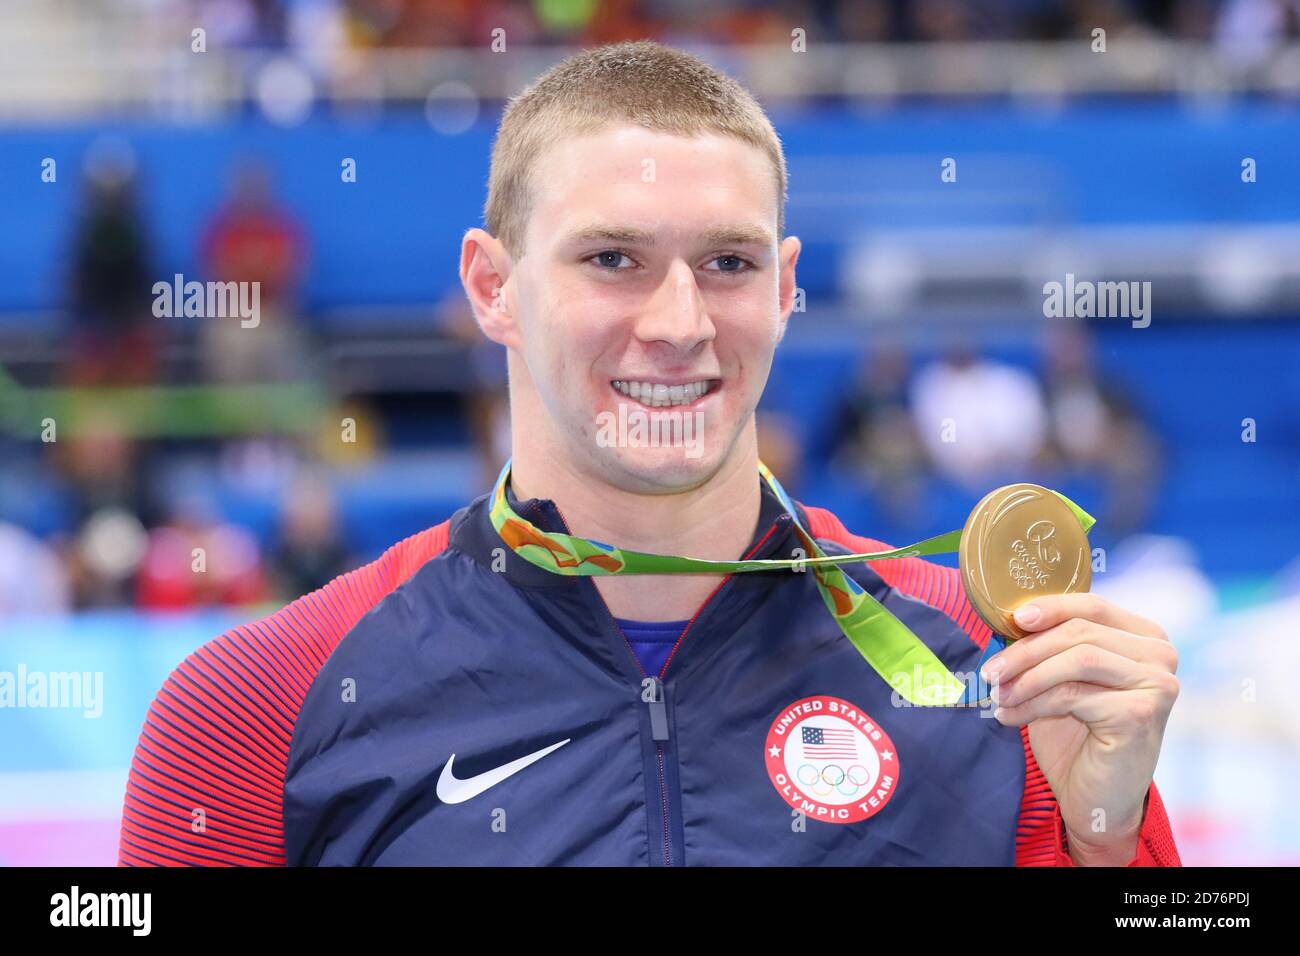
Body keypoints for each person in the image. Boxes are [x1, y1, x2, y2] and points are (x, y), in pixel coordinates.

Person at [118, 41, 1181, 867]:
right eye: (613, 258)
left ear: (783, 287)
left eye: (727, 261)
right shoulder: (255, 706)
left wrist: (1108, 832)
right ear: (493, 287)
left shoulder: (990, 668)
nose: (679, 320)